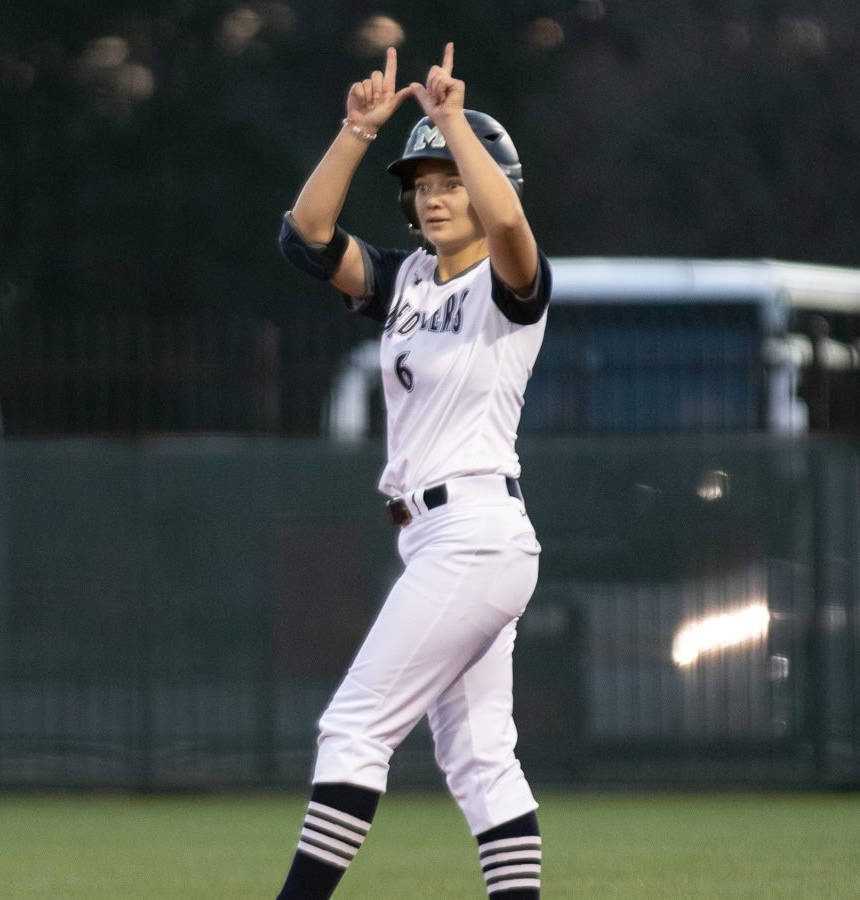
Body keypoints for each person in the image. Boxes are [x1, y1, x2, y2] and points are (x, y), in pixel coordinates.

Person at [273, 43, 550, 900]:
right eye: (421, 184)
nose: (431, 195)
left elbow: (509, 228)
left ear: (484, 178)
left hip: (474, 533)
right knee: (477, 759)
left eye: (447, 180)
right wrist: (358, 131)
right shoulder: (406, 283)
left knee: (353, 727)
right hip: (437, 536)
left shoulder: (512, 282)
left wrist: (454, 122)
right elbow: (306, 240)